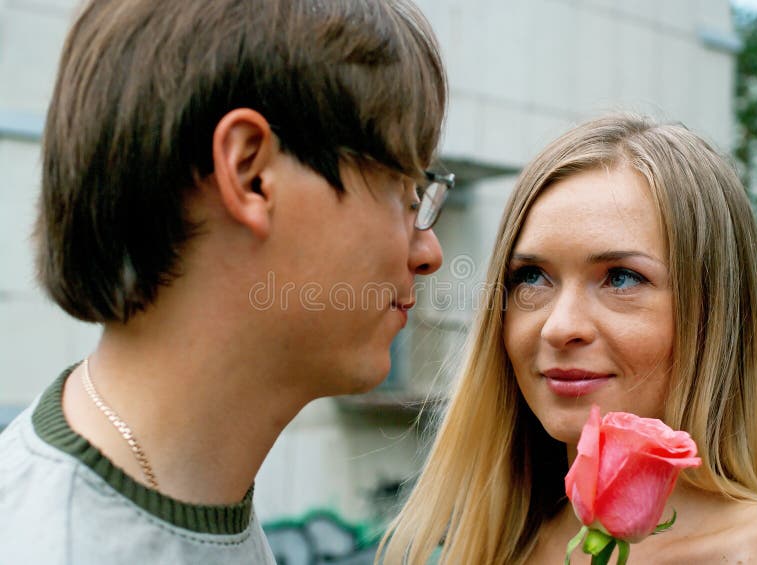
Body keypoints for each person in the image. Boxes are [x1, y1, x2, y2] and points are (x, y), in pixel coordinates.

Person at [0, 1, 451, 563]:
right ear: (251, 174)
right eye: (404, 191)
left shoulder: (183, 499)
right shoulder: (56, 547)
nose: (429, 252)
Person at [379, 114, 757, 564]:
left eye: (621, 278)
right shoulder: (471, 552)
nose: (558, 327)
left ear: (713, 315)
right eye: (532, 277)